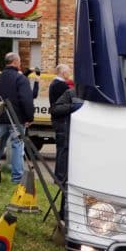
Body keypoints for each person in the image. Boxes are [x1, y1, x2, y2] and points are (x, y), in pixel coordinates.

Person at [0, 52, 34, 184]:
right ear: (16, 62)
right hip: (16, 119)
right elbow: (26, 100)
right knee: (17, 147)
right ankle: (17, 178)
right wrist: (29, 117)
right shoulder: (20, 78)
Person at [50, 85, 82, 220]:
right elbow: (55, 109)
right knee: (68, 180)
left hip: (89, 144)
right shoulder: (71, 93)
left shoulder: (101, 96)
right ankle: (64, 213)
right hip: (70, 143)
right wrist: (72, 107)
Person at [49, 65, 72, 185]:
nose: (69, 74)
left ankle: (59, 176)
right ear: (63, 73)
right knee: (63, 149)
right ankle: (61, 177)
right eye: (68, 72)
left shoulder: (53, 83)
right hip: (62, 120)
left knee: (61, 149)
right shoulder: (61, 85)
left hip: (57, 120)